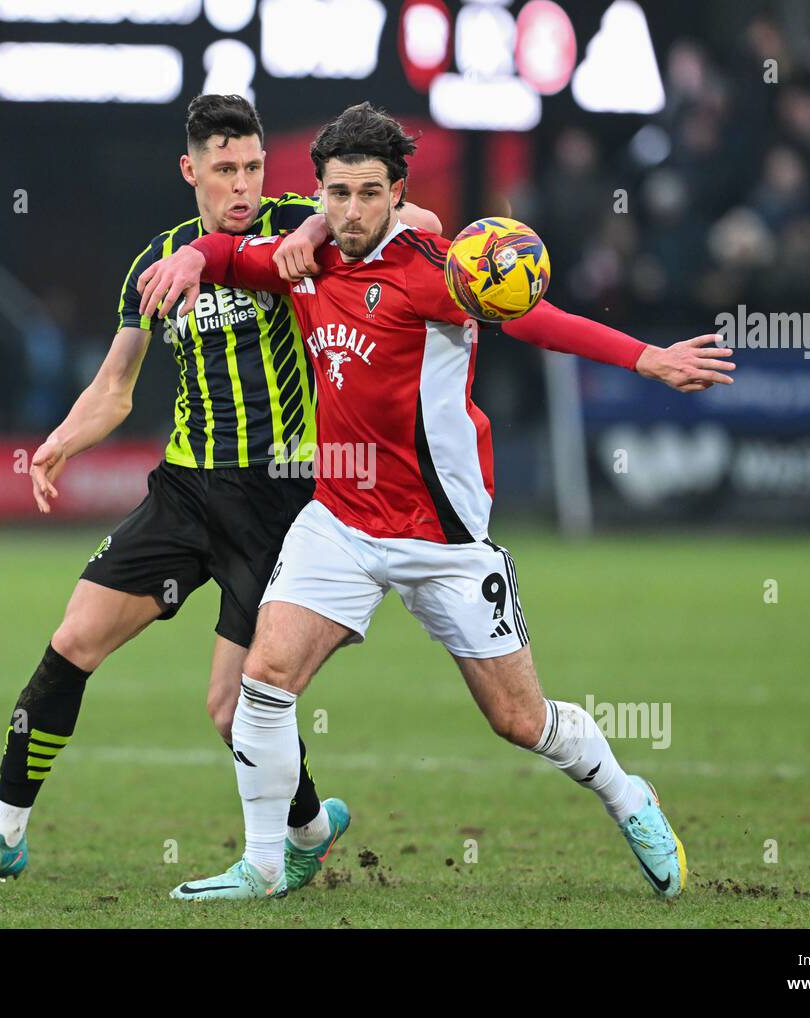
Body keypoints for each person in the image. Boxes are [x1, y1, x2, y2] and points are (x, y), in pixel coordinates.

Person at [137, 102, 736, 901]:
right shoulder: (301, 258)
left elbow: (536, 320)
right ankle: (266, 863)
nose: (351, 212)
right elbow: (228, 251)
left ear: (397, 193)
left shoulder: (436, 269)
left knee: (520, 722)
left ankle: (630, 796)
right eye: (337, 194)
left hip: (442, 536)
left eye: (369, 194)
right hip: (340, 522)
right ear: (317, 192)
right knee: (264, 680)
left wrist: (646, 358)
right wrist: (194, 260)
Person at [0, 95, 444, 894]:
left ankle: (300, 830)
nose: (242, 185)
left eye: (254, 167)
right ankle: (4, 833)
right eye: (225, 169)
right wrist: (62, 437)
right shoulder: (155, 263)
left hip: (281, 503)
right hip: (184, 494)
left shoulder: (312, 218)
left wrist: (308, 230)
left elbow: (427, 221)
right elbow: (115, 387)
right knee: (71, 644)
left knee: (233, 711)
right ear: (189, 170)